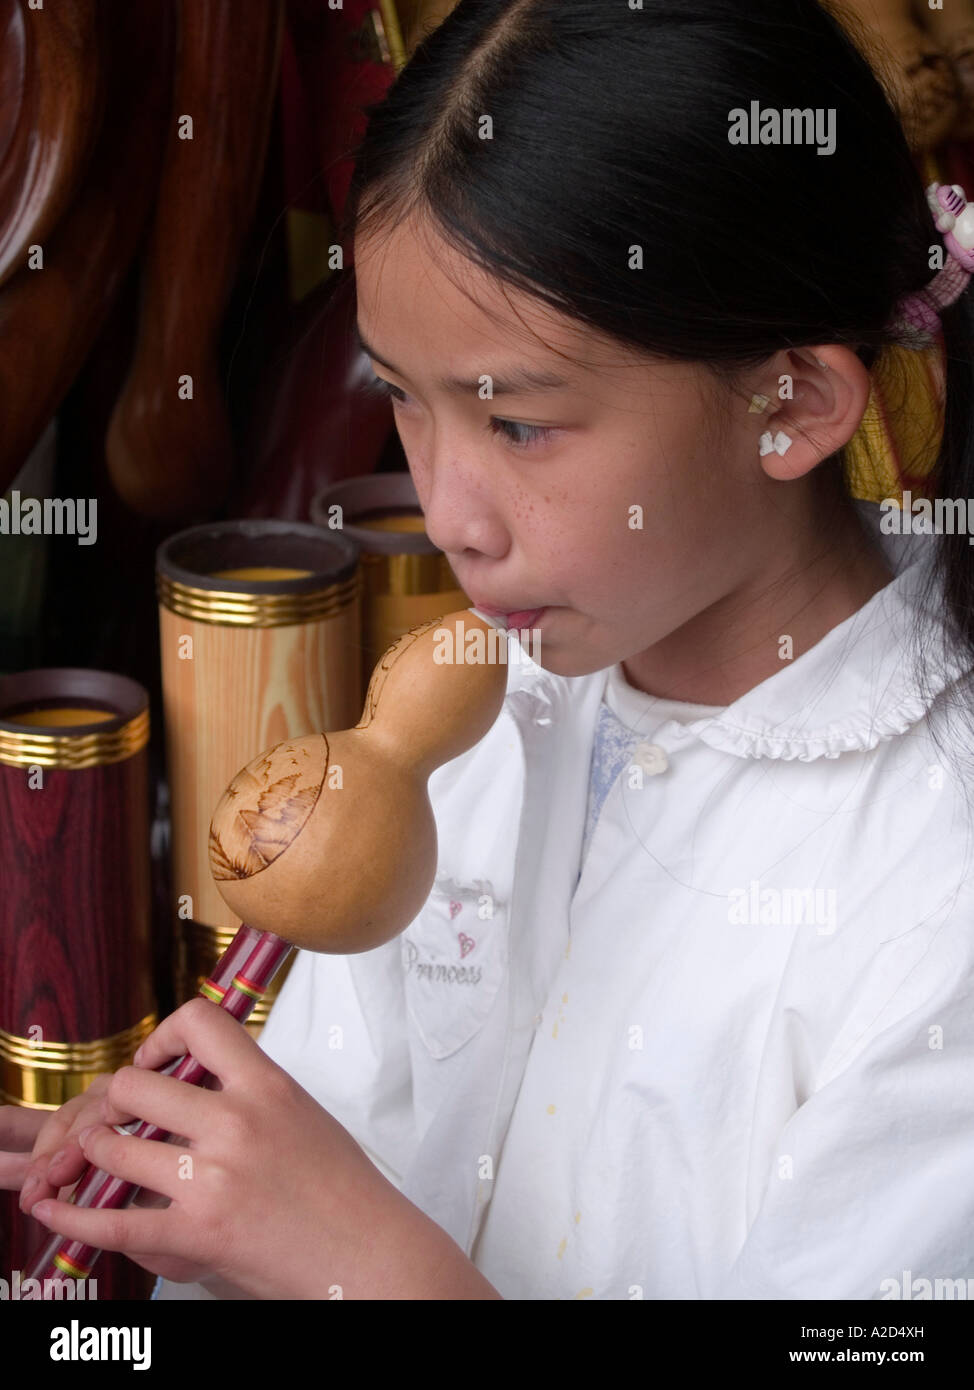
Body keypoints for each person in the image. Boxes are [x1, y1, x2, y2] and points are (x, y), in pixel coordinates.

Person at [4, 0, 974, 1300]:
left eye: (515, 424)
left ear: (786, 402)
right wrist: (207, 1199)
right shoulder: (474, 713)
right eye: (404, 397)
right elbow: (334, 1128)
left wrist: (369, 1265)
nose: (448, 517)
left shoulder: (934, 882)